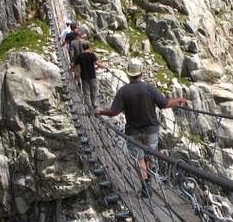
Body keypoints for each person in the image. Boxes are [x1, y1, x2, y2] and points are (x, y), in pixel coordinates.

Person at [95, 58, 189, 197]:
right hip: (151, 130)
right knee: (148, 156)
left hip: (133, 132)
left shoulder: (123, 91)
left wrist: (100, 112)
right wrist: (179, 100)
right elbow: (164, 104)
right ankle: (148, 176)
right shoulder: (148, 88)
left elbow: (114, 112)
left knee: (139, 159)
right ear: (141, 72)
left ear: (128, 74)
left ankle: (145, 186)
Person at [72, 41, 104, 109]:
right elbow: (97, 63)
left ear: (83, 48)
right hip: (92, 76)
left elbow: (74, 64)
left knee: (86, 93)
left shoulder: (80, 56)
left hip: (84, 77)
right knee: (94, 90)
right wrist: (105, 67)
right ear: (89, 47)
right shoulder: (92, 55)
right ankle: (94, 103)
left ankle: (89, 107)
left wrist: (70, 69)